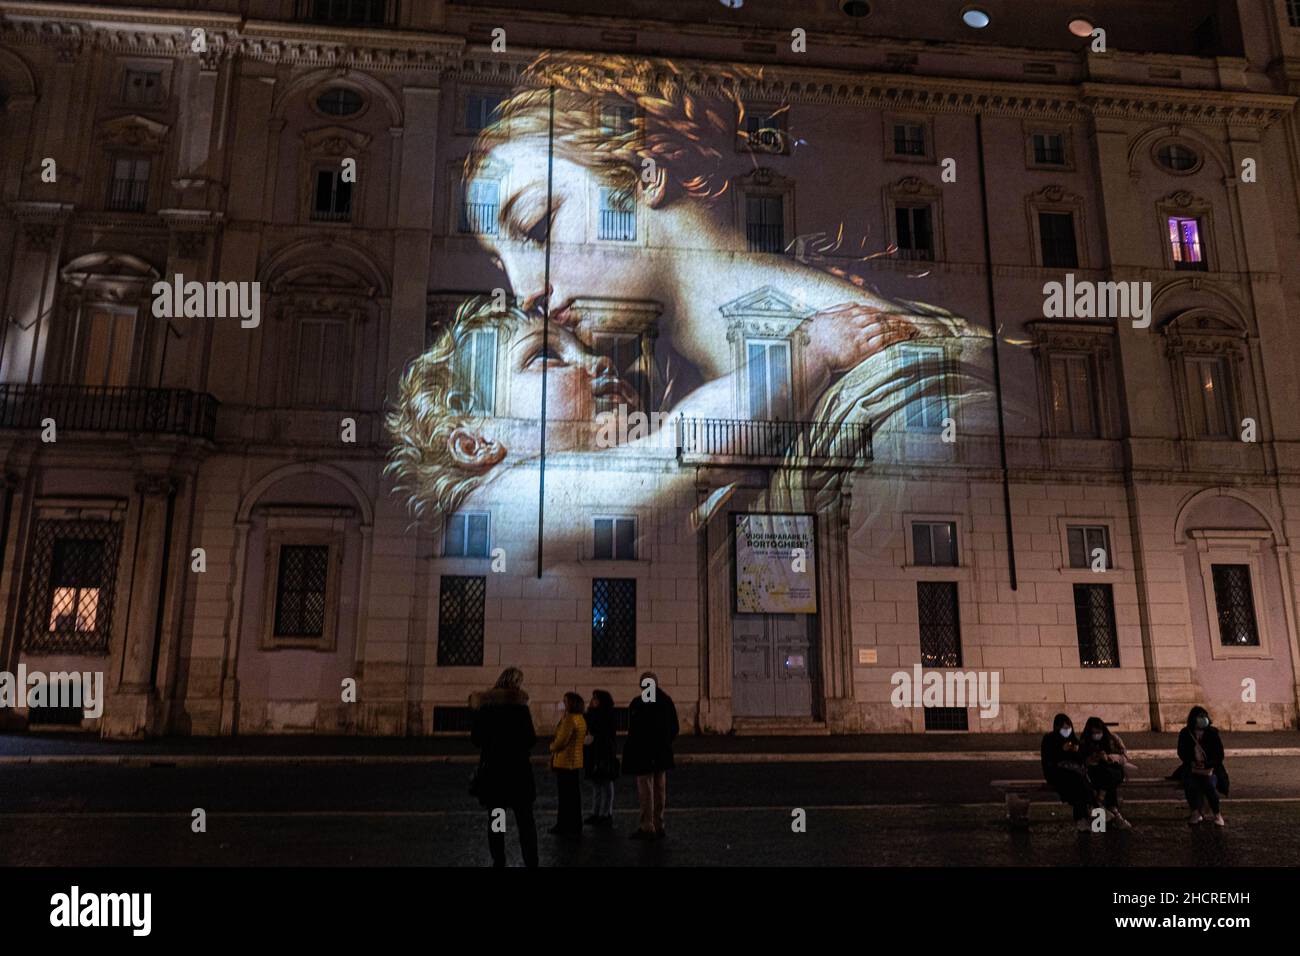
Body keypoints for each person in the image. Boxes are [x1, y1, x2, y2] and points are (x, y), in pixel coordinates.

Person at [470, 666, 539, 867]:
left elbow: (476, 739)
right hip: (518, 774)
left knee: (497, 821)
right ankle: (531, 861)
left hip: (495, 774)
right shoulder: (520, 707)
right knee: (525, 821)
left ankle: (499, 860)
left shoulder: (486, 706)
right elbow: (530, 739)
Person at [622, 670, 678, 840]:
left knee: (646, 789)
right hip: (660, 752)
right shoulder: (666, 701)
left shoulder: (639, 704)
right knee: (659, 787)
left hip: (644, 752)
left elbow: (633, 731)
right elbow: (674, 728)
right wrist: (665, 741)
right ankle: (658, 823)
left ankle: (648, 825)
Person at [1176, 705, 1228, 826]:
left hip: (1210, 768)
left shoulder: (1213, 733)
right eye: (1200, 717)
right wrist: (1192, 762)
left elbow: (1219, 755)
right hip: (1191, 767)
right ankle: (1195, 812)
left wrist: (1207, 764)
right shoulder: (1185, 733)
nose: (1203, 719)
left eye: (1205, 716)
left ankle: (1217, 814)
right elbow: (1181, 752)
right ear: (1193, 719)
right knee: (1190, 783)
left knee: (1209, 784)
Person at [1040, 713, 1093, 832]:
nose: (1067, 731)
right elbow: (1048, 760)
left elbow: (1081, 759)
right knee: (1079, 783)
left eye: (1068, 728)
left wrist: (1076, 751)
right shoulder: (1049, 739)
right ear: (1057, 728)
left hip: (1074, 772)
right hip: (1055, 772)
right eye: (1063, 728)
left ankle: (1082, 818)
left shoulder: (1073, 740)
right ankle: (1086, 813)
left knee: (1080, 783)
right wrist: (1061, 750)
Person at [1079, 716, 1133, 830]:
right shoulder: (1084, 742)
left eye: (1099, 732)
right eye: (1094, 733)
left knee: (1108, 776)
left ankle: (1099, 804)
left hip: (1114, 771)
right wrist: (1095, 758)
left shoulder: (1113, 738)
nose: (1097, 735)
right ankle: (1113, 812)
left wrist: (1111, 757)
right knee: (1106, 778)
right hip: (1097, 773)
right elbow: (1083, 761)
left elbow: (1125, 756)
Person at [547, 691, 587, 837]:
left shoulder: (570, 719)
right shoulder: (581, 718)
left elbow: (561, 742)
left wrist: (551, 746)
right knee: (574, 797)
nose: (563, 703)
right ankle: (575, 824)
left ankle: (563, 825)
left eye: (565, 701)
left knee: (565, 797)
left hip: (565, 761)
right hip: (575, 761)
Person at [583, 689, 619, 828]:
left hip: (604, 751)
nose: (592, 700)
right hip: (593, 751)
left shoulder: (607, 715)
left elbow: (607, 734)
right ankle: (595, 812)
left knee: (606, 782)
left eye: (596, 698)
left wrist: (594, 737)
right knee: (596, 783)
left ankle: (606, 813)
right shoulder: (590, 714)